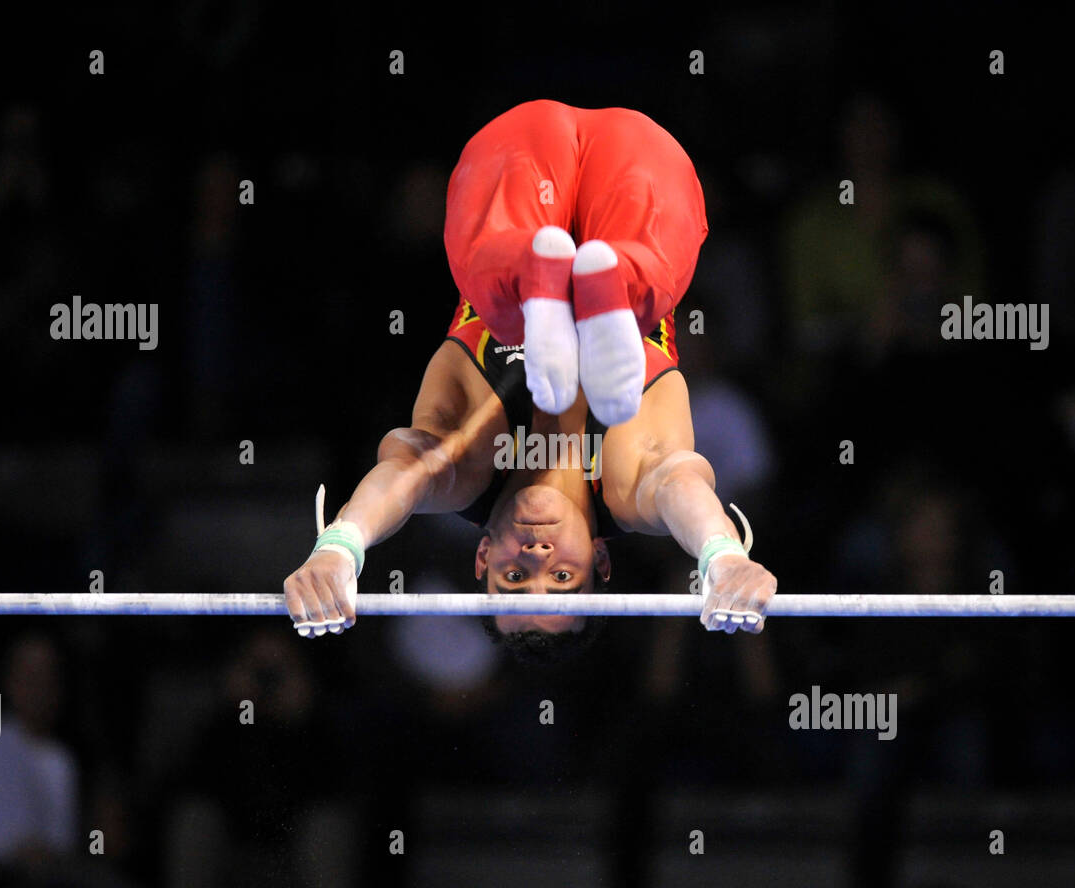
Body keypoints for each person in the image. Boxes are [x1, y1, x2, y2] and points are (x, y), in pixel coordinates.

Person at [283, 100, 777, 657]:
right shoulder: (627, 491)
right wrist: (721, 555)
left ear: (483, 558)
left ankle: (541, 284)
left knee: (497, 293)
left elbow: (406, 471)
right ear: (601, 560)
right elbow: (678, 485)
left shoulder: (464, 473)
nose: (537, 557)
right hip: (640, 164)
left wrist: (341, 548)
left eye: (513, 578)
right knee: (648, 278)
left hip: (521, 157)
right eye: (563, 578)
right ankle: (610, 286)